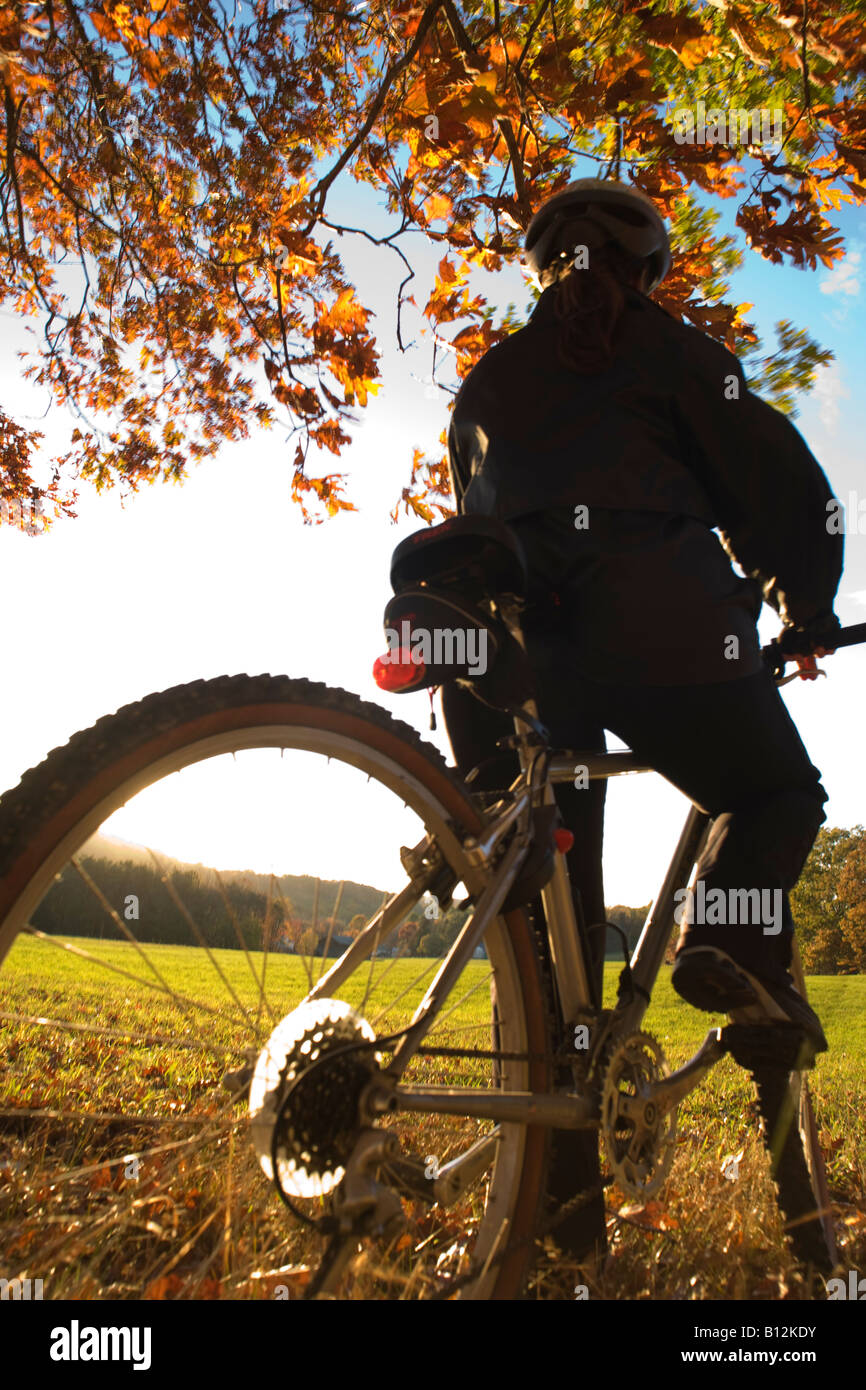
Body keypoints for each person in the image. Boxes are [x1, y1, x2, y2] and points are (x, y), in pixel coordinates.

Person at [440, 177, 843, 1261]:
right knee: (772, 791)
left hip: (495, 652)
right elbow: (776, 485)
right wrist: (803, 604)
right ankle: (725, 929)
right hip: (657, 624)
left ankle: (564, 1238)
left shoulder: (482, 385)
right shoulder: (671, 353)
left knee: (544, 941)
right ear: (642, 264)